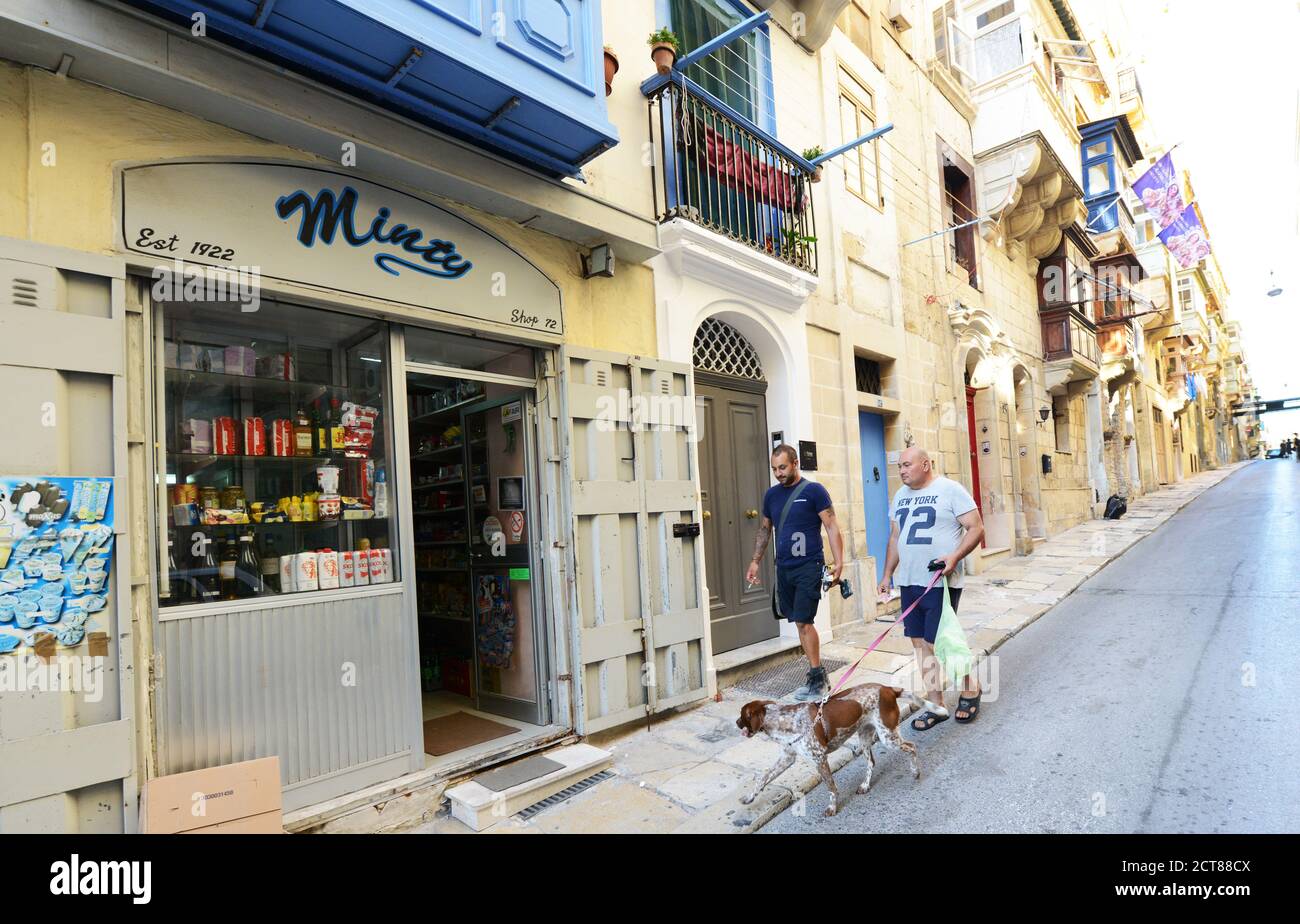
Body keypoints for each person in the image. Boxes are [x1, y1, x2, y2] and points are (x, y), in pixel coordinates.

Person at [877, 447, 985, 728]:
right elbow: (895, 538)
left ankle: (970, 687)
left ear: (925, 464)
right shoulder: (899, 496)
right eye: (899, 466)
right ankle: (936, 703)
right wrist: (887, 574)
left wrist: (955, 557)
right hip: (909, 581)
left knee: (939, 642)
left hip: (940, 581)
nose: (901, 470)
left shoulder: (950, 489)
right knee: (919, 643)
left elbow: (976, 528)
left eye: (907, 465)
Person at [746, 444, 844, 701]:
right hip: (784, 568)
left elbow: (832, 526)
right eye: (774, 469)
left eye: (782, 467)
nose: (778, 473)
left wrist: (839, 562)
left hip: (809, 566)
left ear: (795, 463)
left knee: (803, 621)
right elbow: (765, 529)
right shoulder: (771, 495)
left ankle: (817, 679)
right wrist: (756, 561)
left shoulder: (814, 491)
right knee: (797, 622)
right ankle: (817, 678)